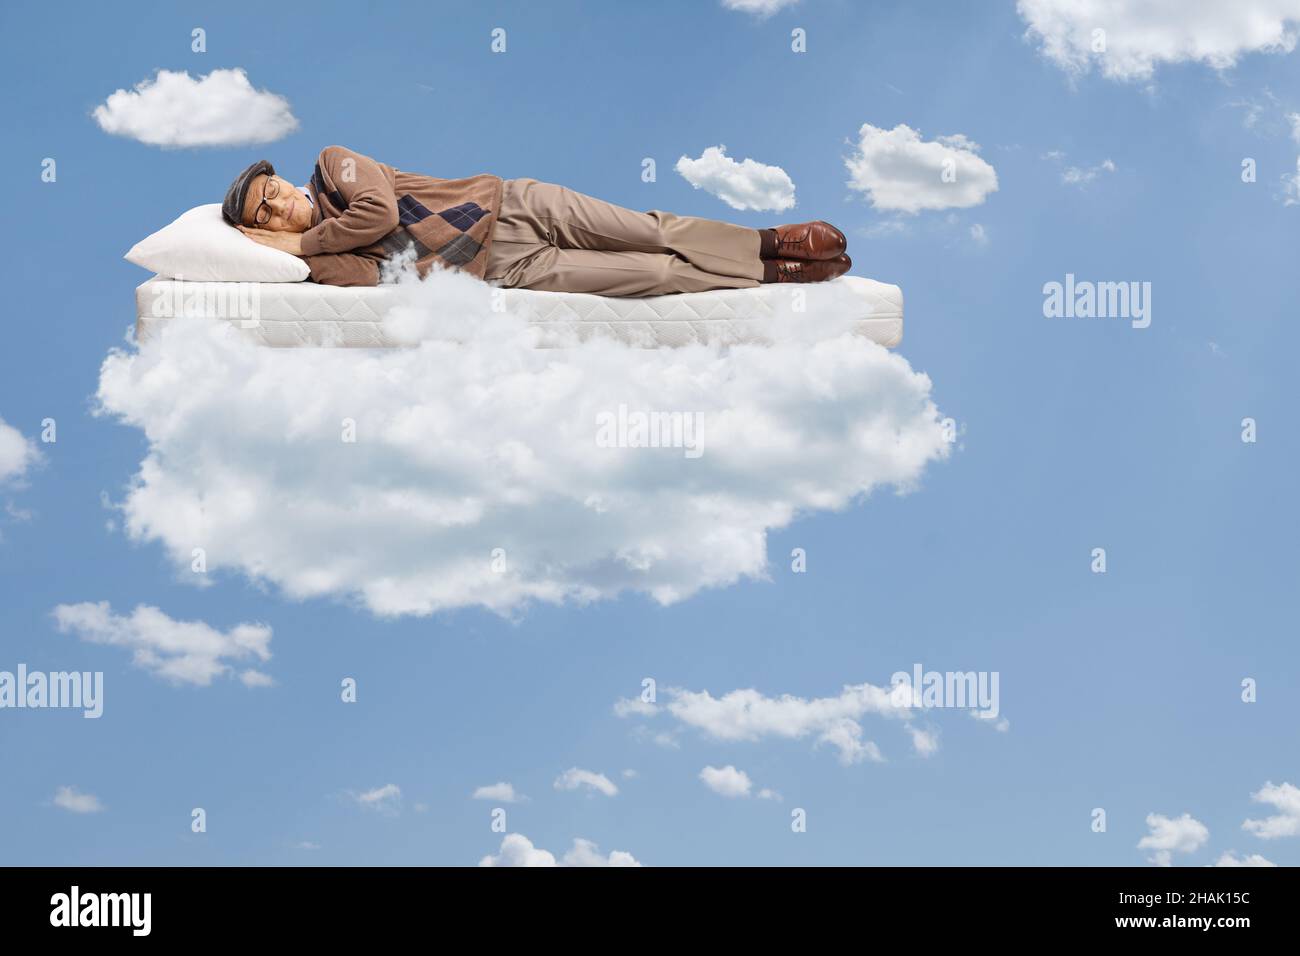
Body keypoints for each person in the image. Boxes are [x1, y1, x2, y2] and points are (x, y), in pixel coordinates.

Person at [223, 145, 851, 295]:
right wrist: (293, 258)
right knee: (654, 274)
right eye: (266, 214)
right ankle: (773, 275)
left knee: (650, 230)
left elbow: (378, 213)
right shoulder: (307, 252)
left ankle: (772, 239)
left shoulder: (334, 168)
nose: (279, 206)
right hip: (505, 266)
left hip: (518, 205)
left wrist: (302, 236)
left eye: (273, 191)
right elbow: (368, 275)